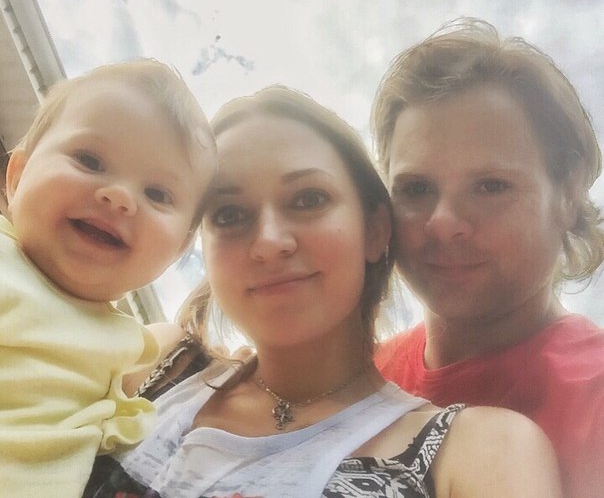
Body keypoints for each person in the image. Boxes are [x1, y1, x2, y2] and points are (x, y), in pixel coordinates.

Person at [84, 85, 561, 498]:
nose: (269, 242)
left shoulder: (480, 453)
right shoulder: (155, 365)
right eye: (229, 214)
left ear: (374, 229)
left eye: (308, 199)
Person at [371, 18, 604, 498]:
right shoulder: (360, 380)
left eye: (490, 186)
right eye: (416, 189)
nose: (444, 222)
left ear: (568, 195)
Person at [0, 58, 216, 497]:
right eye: (89, 159)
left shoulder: (129, 350)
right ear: (17, 176)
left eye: (157, 193)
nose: (119, 196)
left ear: (177, 251)